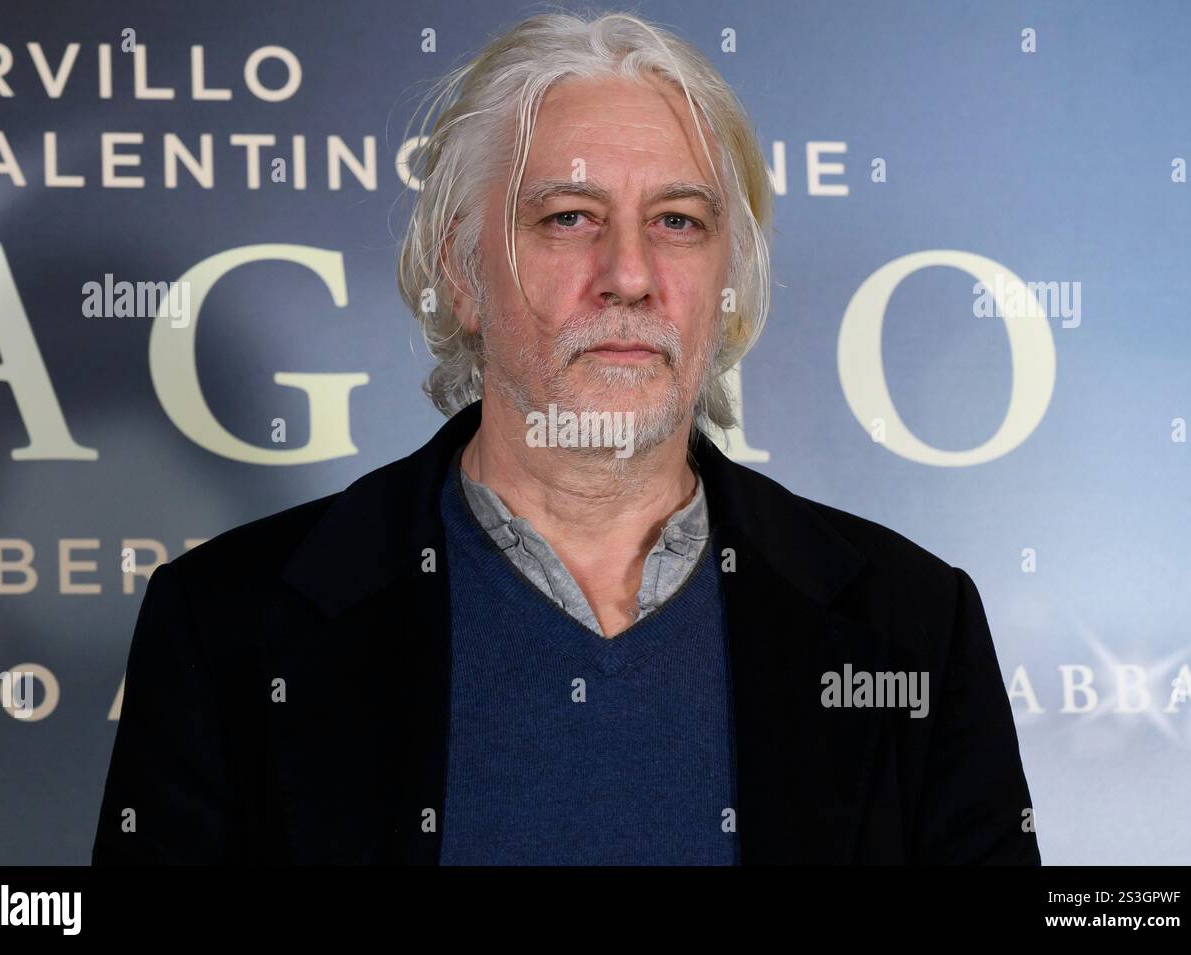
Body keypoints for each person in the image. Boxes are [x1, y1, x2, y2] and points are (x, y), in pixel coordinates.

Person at [93, 11, 1040, 865]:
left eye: (677, 221)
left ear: (728, 283)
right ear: (460, 273)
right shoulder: (226, 628)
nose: (628, 274)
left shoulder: (913, 627)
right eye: (569, 218)